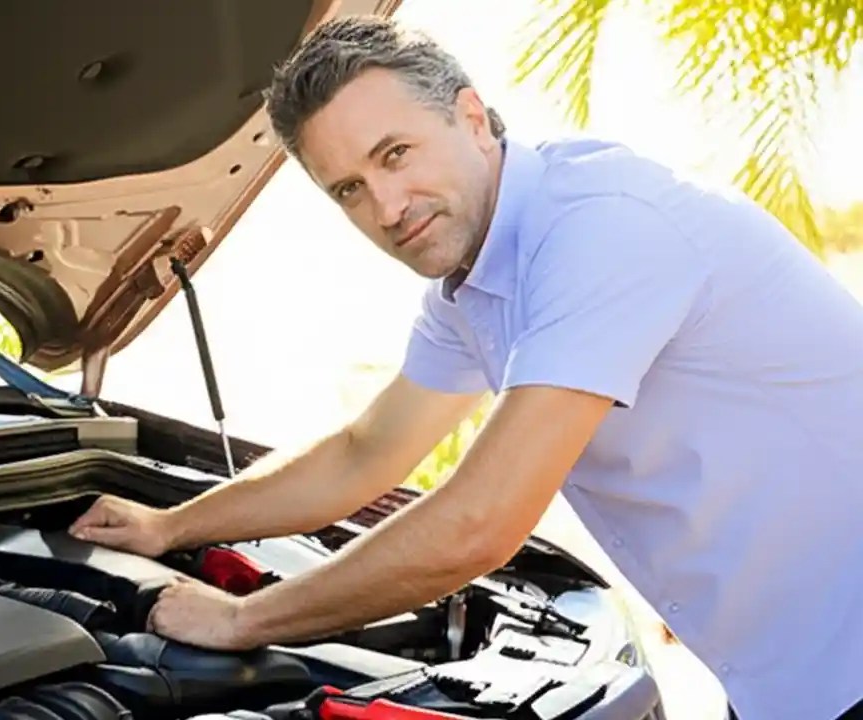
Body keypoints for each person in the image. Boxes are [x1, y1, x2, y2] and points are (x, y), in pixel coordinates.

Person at [67, 15, 863, 720]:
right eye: (349, 188)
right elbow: (365, 453)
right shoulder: (472, 284)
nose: (386, 206)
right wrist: (170, 525)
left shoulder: (603, 233)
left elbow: (481, 521)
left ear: (473, 118)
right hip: (788, 677)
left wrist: (242, 621)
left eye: (396, 153)